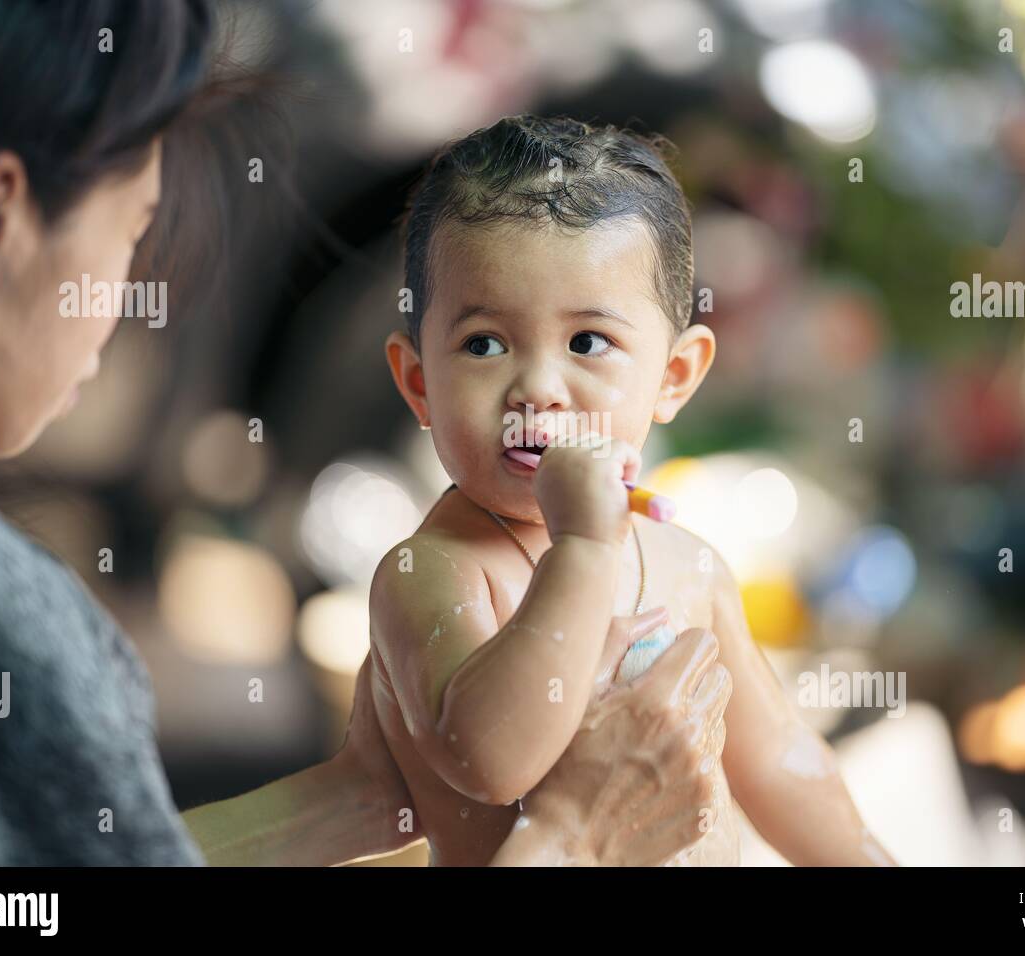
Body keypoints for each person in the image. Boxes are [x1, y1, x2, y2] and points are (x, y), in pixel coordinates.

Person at [0, 0, 729, 867]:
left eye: (588, 342)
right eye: (135, 230)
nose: (124, 295)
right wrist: (571, 837)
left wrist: (357, 800)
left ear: (679, 370)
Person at [373, 116, 896, 865]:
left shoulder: (688, 566)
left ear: (674, 376)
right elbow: (490, 760)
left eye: (588, 342)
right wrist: (584, 550)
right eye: (484, 343)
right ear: (420, 384)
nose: (540, 389)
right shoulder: (438, 571)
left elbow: (778, 759)